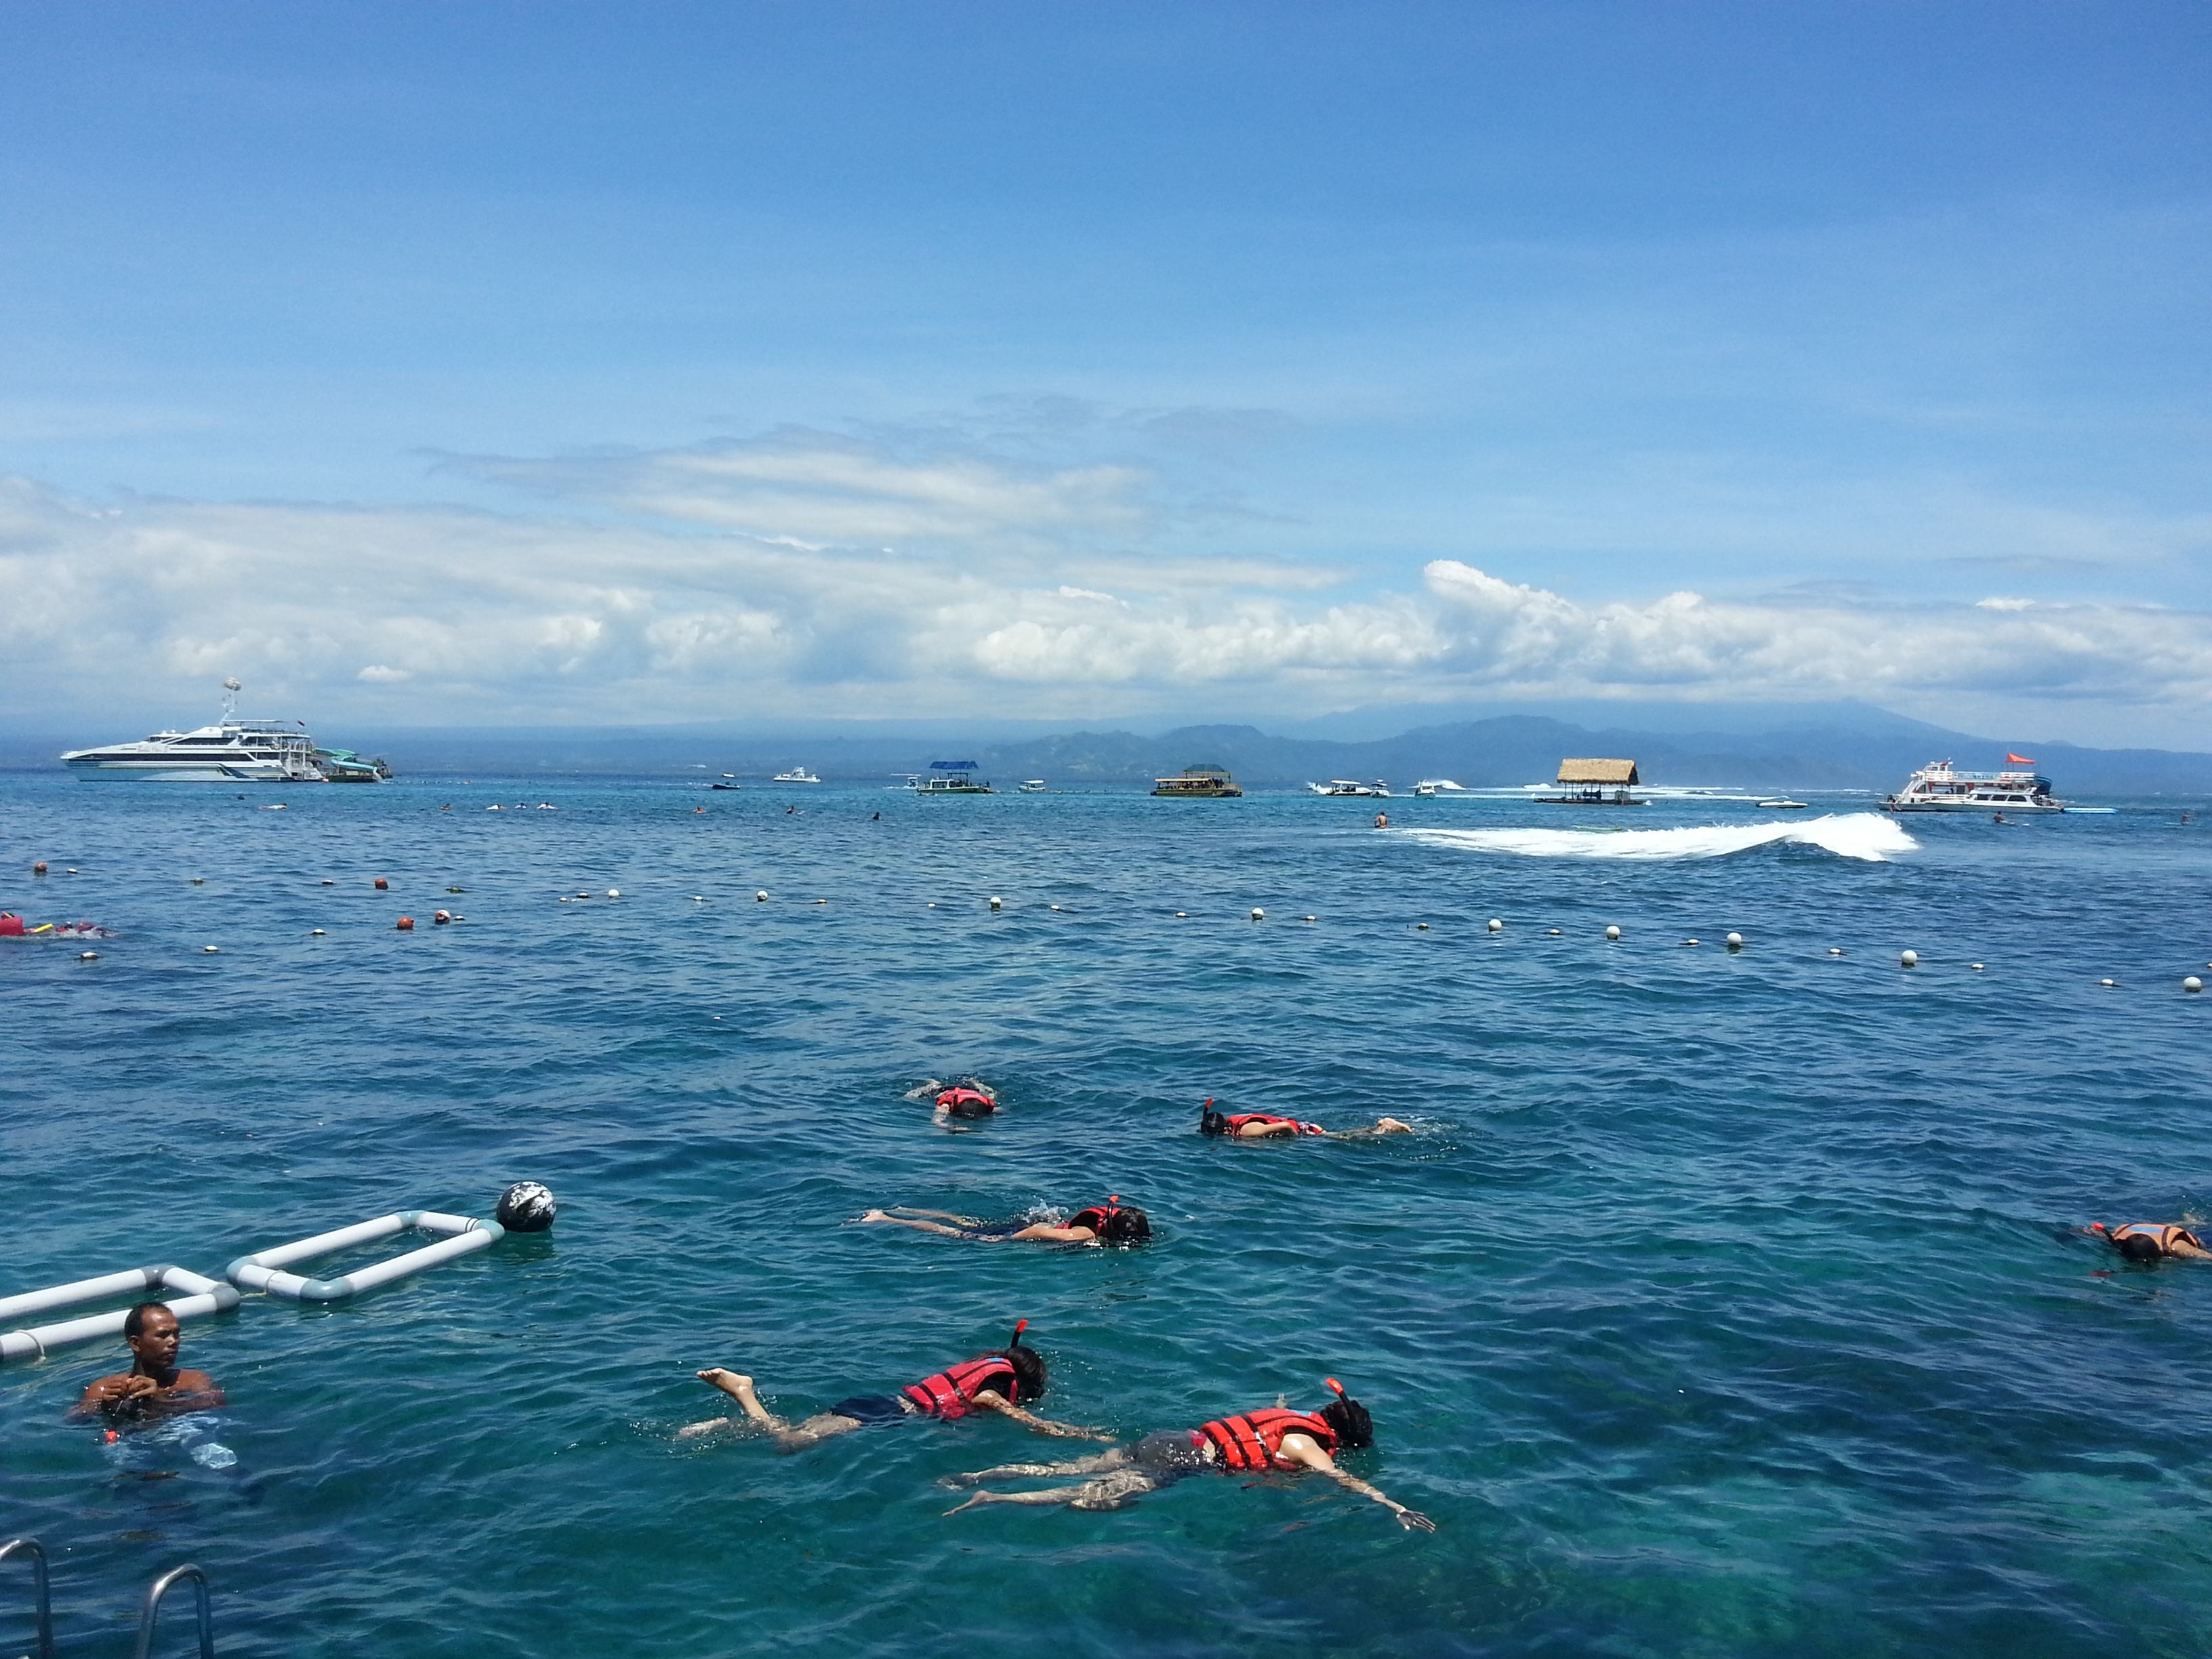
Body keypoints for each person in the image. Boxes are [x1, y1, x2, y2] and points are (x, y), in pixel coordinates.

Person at [944, 1377, 1434, 1531]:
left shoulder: (1293, 1418)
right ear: (1341, 1439)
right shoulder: (1309, 1446)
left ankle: (981, 1475)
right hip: (1183, 1462)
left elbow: (1273, 1415)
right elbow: (1346, 1481)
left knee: (1072, 1467)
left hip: (1171, 1438)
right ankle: (993, 1498)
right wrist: (1393, 1505)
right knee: (1085, 1495)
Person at [682, 1321, 1109, 1450]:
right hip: (887, 1415)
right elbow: (1030, 1423)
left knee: (793, 1435)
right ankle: (744, 1393)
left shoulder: (982, 1370)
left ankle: (724, 1423)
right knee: (790, 1444)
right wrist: (1080, 1434)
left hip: (884, 1401)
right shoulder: (992, 1391)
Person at [72, 1303, 225, 1422]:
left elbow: (217, 1407)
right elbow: (72, 1421)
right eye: (162, 1335)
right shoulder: (102, 1389)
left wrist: (160, 1399)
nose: (174, 1341)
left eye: (176, 1334)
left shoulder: (193, 1380)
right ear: (135, 1343)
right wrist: (104, 1407)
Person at [860, 1198, 1153, 1247]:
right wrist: (1005, 1241)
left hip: (1027, 1223)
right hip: (1020, 1232)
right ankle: (884, 1218)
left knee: (967, 1222)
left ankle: (906, 1208)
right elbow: (1038, 1231)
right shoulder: (1084, 1235)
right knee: (954, 1233)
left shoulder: (1103, 1222)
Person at [1198, 1099, 1412, 1139]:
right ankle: (1378, 1127)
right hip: (1302, 1126)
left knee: (1342, 1138)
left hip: (1304, 1131)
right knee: (1339, 1136)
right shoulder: (1234, 1122)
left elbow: (1284, 1126)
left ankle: (1381, 1128)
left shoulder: (1245, 1131)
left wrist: (1295, 1140)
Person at [2091, 1221, 2212, 1261]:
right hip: (2163, 1230)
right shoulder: (2118, 1240)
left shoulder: (2177, 1247)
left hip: (2205, 1239)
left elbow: (2207, 1256)